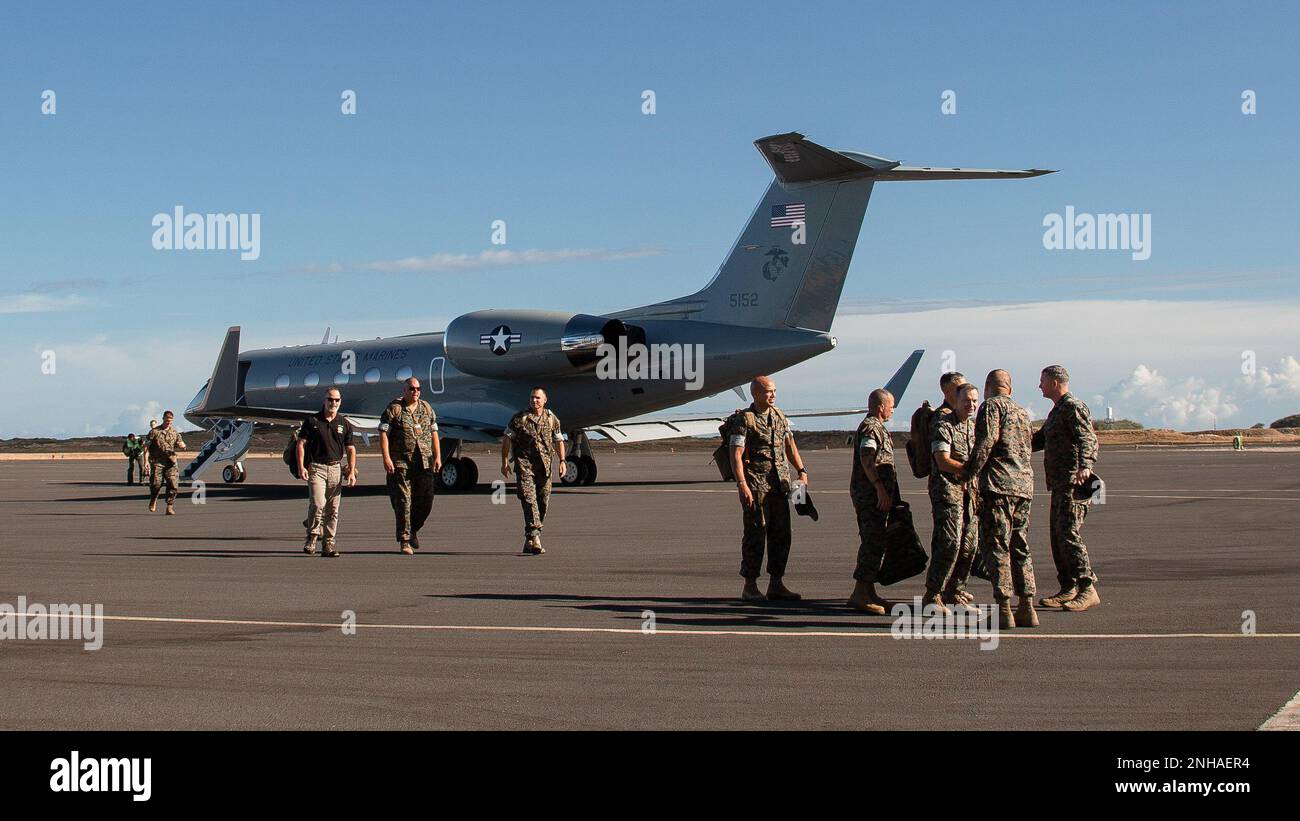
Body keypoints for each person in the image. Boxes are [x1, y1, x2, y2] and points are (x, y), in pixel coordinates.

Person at [956, 370, 1038, 629]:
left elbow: (985, 444)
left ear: (988, 387)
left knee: (997, 546)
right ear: (1010, 389)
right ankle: (1027, 605)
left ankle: (1004, 607)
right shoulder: (1023, 412)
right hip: (1023, 486)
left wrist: (969, 474)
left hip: (998, 486)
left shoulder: (990, 407)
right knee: (1020, 546)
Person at [725, 376, 808, 603]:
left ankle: (776, 583)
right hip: (756, 485)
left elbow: (789, 445)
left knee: (781, 535)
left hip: (779, 486)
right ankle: (750, 586)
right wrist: (742, 484)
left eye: (774, 391)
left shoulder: (779, 416)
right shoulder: (745, 420)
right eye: (769, 391)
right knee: (755, 534)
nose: (773, 395)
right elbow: (736, 454)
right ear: (756, 394)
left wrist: (801, 470)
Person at [1032, 364, 1101, 611]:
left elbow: (1088, 438)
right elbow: (1037, 441)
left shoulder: (1072, 406)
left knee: (1069, 535)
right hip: (1059, 484)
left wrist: (1086, 465)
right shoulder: (1056, 411)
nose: (1039, 385)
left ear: (1054, 383)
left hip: (1074, 483)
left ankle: (1087, 588)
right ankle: (1068, 586)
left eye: (1042, 381)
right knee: (1058, 537)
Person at [926, 383, 980, 613]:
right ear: (956, 401)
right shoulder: (944, 425)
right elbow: (942, 460)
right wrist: (968, 471)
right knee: (950, 542)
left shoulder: (973, 427)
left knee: (970, 545)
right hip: (947, 492)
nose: (971, 405)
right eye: (967, 401)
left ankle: (955, 591)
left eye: (975, 401)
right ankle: (933, 594)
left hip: (969, 494)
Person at [847, 388, 898, 614]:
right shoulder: (870, 428)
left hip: (876, 495)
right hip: (870, 496)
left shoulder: (878, 428)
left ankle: (869, 590)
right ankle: (860, 593)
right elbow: (867, 459)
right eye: (891, 406)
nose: (892, 410)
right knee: (872, 541)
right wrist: (879, 489)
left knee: (877, 540)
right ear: (880, 407)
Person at [380, 377, 441, 555]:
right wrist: (386, 458)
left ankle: (413, 528)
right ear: (405, 390)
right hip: (401, 463)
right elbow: (383, 432)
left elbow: (434, 432)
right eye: (412, 389)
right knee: (403, 502)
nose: (415, 392)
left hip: (424, 462)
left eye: (418, 389)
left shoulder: (427, 408)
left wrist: (437, 457)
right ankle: (404, 540)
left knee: (426, 501)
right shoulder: (394, 409)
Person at [501, 387, 565, 555]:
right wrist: (504, 461)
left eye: (537, 398)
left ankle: (530, 539)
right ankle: (535, 538)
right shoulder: (520, 419)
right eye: (532, 398)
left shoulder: (552, 419)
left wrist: (563, 461)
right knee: (530, 501)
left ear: (545, 400)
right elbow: (507, 438)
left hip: (545, 467)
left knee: (543, 502)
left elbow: (558, 440)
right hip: (525, 466)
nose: (534, 400)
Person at [297, 388, 357, 557]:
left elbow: (351, 449)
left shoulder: (344, 423)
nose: (333, 403)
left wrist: (351, 471)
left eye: (337, 400)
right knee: (318, 504)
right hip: (317, 468)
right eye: (330, 400)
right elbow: (301, 444)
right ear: (324, 401)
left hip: (336, 469)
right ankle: (312, 537)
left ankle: (328, 544)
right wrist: (302, 467)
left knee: (333, 510)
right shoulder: (312, 421)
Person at [142, 411, 186, 515]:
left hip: (171, 462)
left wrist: (183, 446)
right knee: (156, 484)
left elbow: (183, 445)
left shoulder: (175, 433)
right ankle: (153, 499)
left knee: (173, 484)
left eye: (170, 422)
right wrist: (145, 462)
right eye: (166, 421)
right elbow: (146, 447)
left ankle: (169, 506)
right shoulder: (154, 432)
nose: (168, 423)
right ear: (163, 419)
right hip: (157, 462)